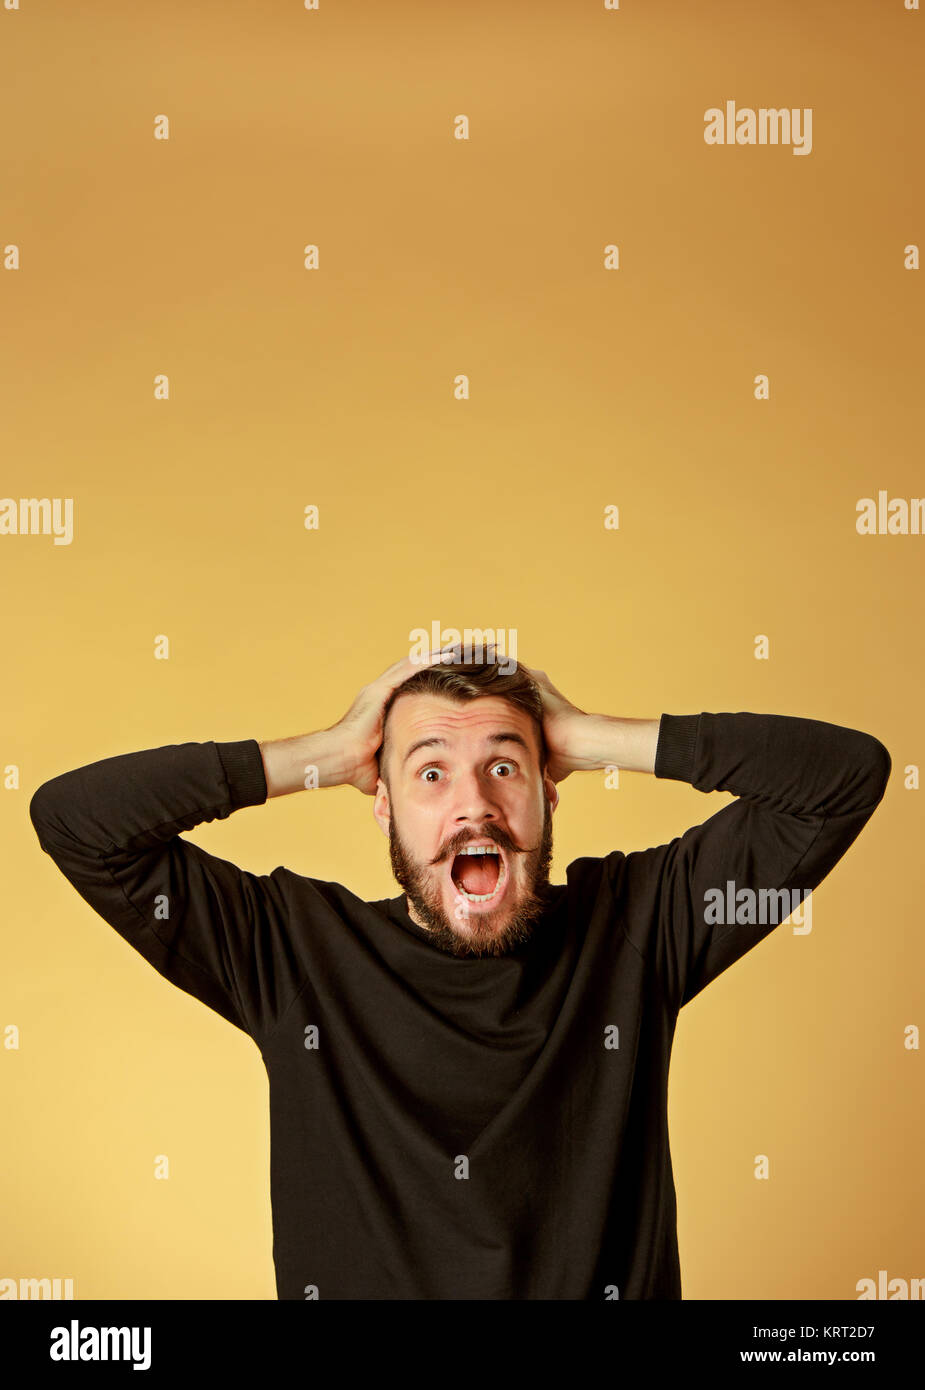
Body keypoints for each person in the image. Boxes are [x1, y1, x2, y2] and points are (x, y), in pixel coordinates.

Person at [28, 647, 891, 1299]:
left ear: (550, 791)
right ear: (383, 807)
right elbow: (77, 822)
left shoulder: (637, 924)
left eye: (504, 767)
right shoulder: (290, 950)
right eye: (430, 773)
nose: (473, 802)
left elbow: (842, 780)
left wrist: (589, 737)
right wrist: (321, 751)